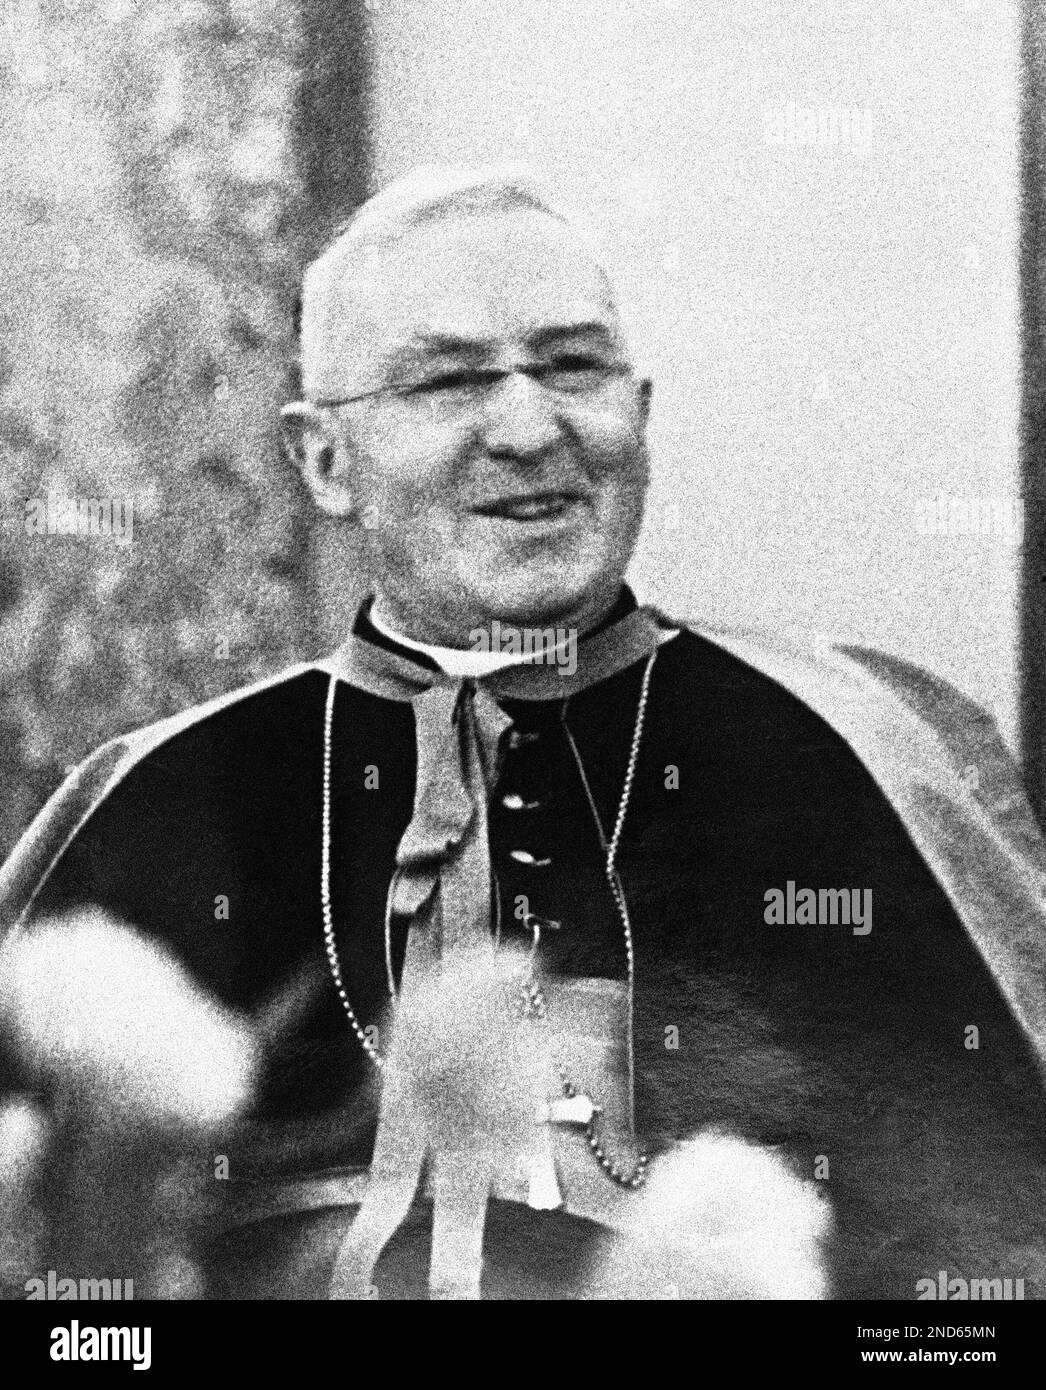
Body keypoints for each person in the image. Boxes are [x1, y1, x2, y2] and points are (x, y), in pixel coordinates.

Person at [2, 165, 1046, 1301]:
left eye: (571, 365)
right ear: (322, 460)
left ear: (637, 412)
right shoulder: (159, 793)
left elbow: (996, 1252)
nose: (526, 425)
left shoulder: (855, 748)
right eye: (447, 382)